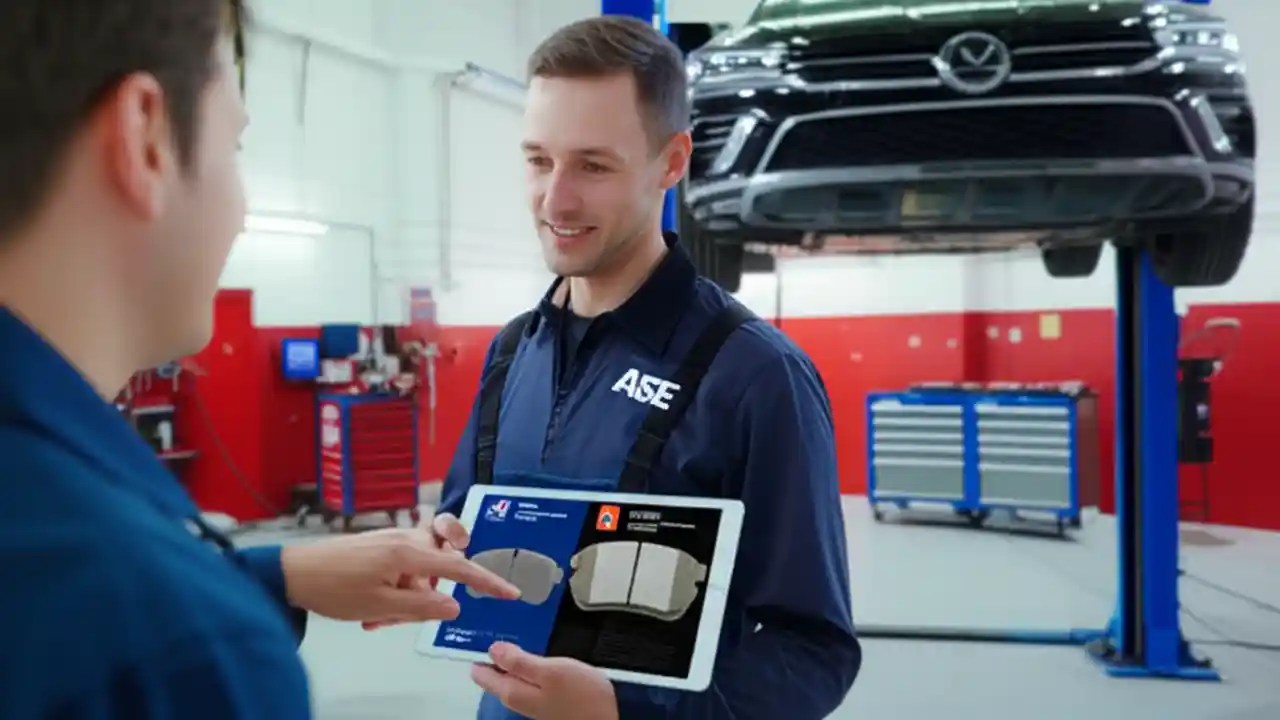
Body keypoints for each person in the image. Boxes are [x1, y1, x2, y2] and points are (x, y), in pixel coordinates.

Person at [0, 2, 519, 718]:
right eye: (235, 147)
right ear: (145, 136)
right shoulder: (180, 655)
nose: (240, 210)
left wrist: (275, 572)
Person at [435, 16, 862, 720]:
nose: (555, 199)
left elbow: (813, 650)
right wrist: (441, 546)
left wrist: (626, 712)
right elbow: (462, 521)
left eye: (593, 166)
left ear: (671, 162)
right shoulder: (513, 352)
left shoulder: (756, 376)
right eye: (539, 160)